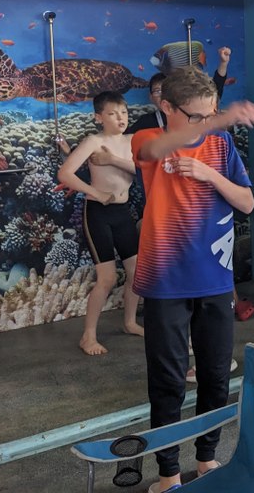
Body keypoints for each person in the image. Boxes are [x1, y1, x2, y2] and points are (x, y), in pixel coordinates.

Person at [131, 66, 254, 493]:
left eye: (212, 114)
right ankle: (168, 472)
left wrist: (210, 173)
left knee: (215, 377)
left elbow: (248, 203)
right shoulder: (147, 139)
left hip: (216, 280)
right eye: (198, 116)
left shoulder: (220, 145)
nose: (207, 124)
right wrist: (222, 118)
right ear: (166, 106)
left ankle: (206, 458)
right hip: (164, 281)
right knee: (167, 382)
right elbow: (156, 151)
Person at [58, 92, 143, 356]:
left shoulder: (132, 141)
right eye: (112, 113)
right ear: (98, 117)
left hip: (123, 212)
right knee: (106, 278)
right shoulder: (94, 141)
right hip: (98, 213)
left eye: (124, 113)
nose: (121, 118)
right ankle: (88, 336)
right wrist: (96, 194)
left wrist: (114, 161)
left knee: (137, 274)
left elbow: (142, 171)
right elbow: (65, 173)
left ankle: (129, 322)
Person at [129, 48, 232, 134]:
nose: (163, 95)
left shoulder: (189, 112)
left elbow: (214, 91)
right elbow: (122, 139)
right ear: (151, 97)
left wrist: (223, 63)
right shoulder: (145, 122)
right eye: (157, 91)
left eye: (166, 90)